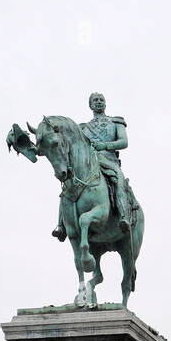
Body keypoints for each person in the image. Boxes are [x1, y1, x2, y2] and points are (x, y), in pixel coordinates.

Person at [52, 92, 136, 239]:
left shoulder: (116, 122)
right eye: (95, 100)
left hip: (109, 160)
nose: (99, 102)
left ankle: (124, 216)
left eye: (101, 100)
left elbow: (124, 142)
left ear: (105, 103)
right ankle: (61, 225)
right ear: (90, 105)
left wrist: (104, 145)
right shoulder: (83, 128)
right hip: (88, 163)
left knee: (119, 180)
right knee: (68, 186)